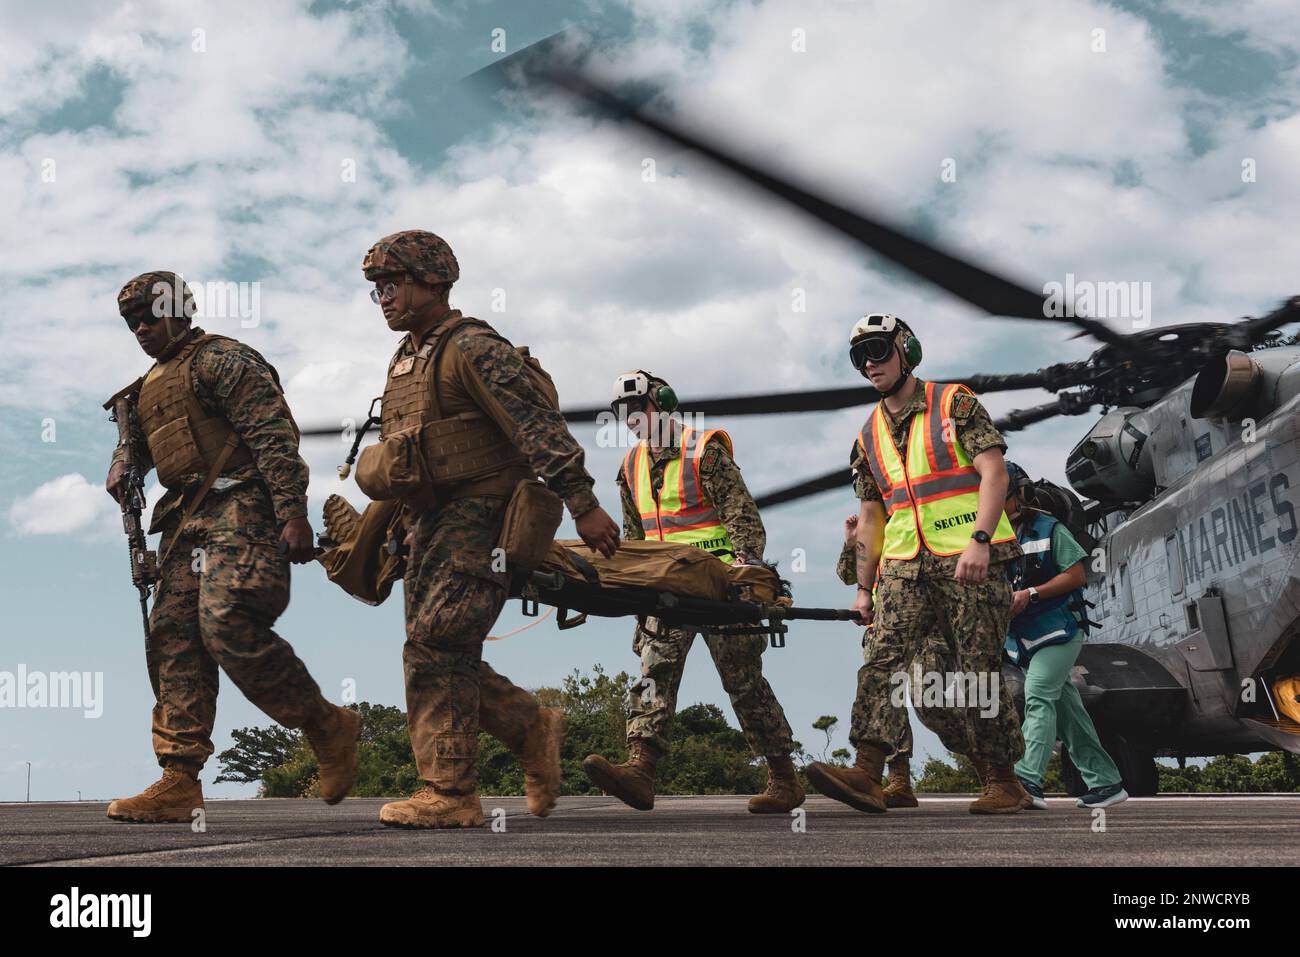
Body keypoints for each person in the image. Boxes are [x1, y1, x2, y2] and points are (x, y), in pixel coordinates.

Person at [357, 230, 621, 828]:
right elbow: (410, 454)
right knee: (435, 648)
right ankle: (531, 727)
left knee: (438, 645)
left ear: (435, 282)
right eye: (377, 289)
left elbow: (536, 426)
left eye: (393, 284)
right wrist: (401, 528)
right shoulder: (407, 359)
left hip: (480, 517)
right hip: (429, 522)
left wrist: (583, 503)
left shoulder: (473, 347)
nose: (385, 298)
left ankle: (450, 793)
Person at [103, 271, 358, 822]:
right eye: (132, 322)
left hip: (243, 505)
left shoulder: (223, 360)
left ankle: (325, 724)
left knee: (226, 622)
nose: (141, 328)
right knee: (172, 636)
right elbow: (144, 446)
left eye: (150, 315)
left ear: (179, 310)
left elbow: (273, 437)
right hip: (183, 520)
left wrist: (292, 513)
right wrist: (124, 463)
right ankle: (179, 778)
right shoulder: (148, 386)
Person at [805, 313, 1027, 815]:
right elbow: (870, 516)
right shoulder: (867, 435)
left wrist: (980, 540)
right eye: (860, 357)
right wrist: (864, 588)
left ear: (908, 349)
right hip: (905, 565)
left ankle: (1002, 778)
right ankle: (866, 769)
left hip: (968, 558)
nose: (869, 364)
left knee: (977, 672)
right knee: (882, 660)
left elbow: (994, 473)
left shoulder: (956, 403)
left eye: (878, 351)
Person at [581, 371, 803, 813]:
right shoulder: (629, 468)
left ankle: (783, 777)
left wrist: (747, 577)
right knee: (653, 673)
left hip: (719, 587)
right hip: (664, 591)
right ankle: (640, 769)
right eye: (622, 413)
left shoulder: (705, 452)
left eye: (637, 409)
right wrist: (631, 589)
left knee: (744, 683)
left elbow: (744, 522)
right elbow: (634, 538)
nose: (630, 420)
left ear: (662, 404)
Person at [1003, 462, 1128, 810]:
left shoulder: (1049, 528)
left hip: (1059, 631)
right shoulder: (992, 539)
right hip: (1023, 639)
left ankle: (1027, 780)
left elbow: (1076, 576)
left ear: (1020, 495)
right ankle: (1106, 783)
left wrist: (1032, 594)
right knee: (1070, 711)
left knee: (1038, 694)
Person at [835, 514, 917, 807]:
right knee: (887, 701)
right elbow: (847, 574)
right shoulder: (874, 535)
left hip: (923, 631)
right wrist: (851, 541)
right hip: (883, 633)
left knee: (934, 703)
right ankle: (898, 779)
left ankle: (996, 773)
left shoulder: (911, 530)